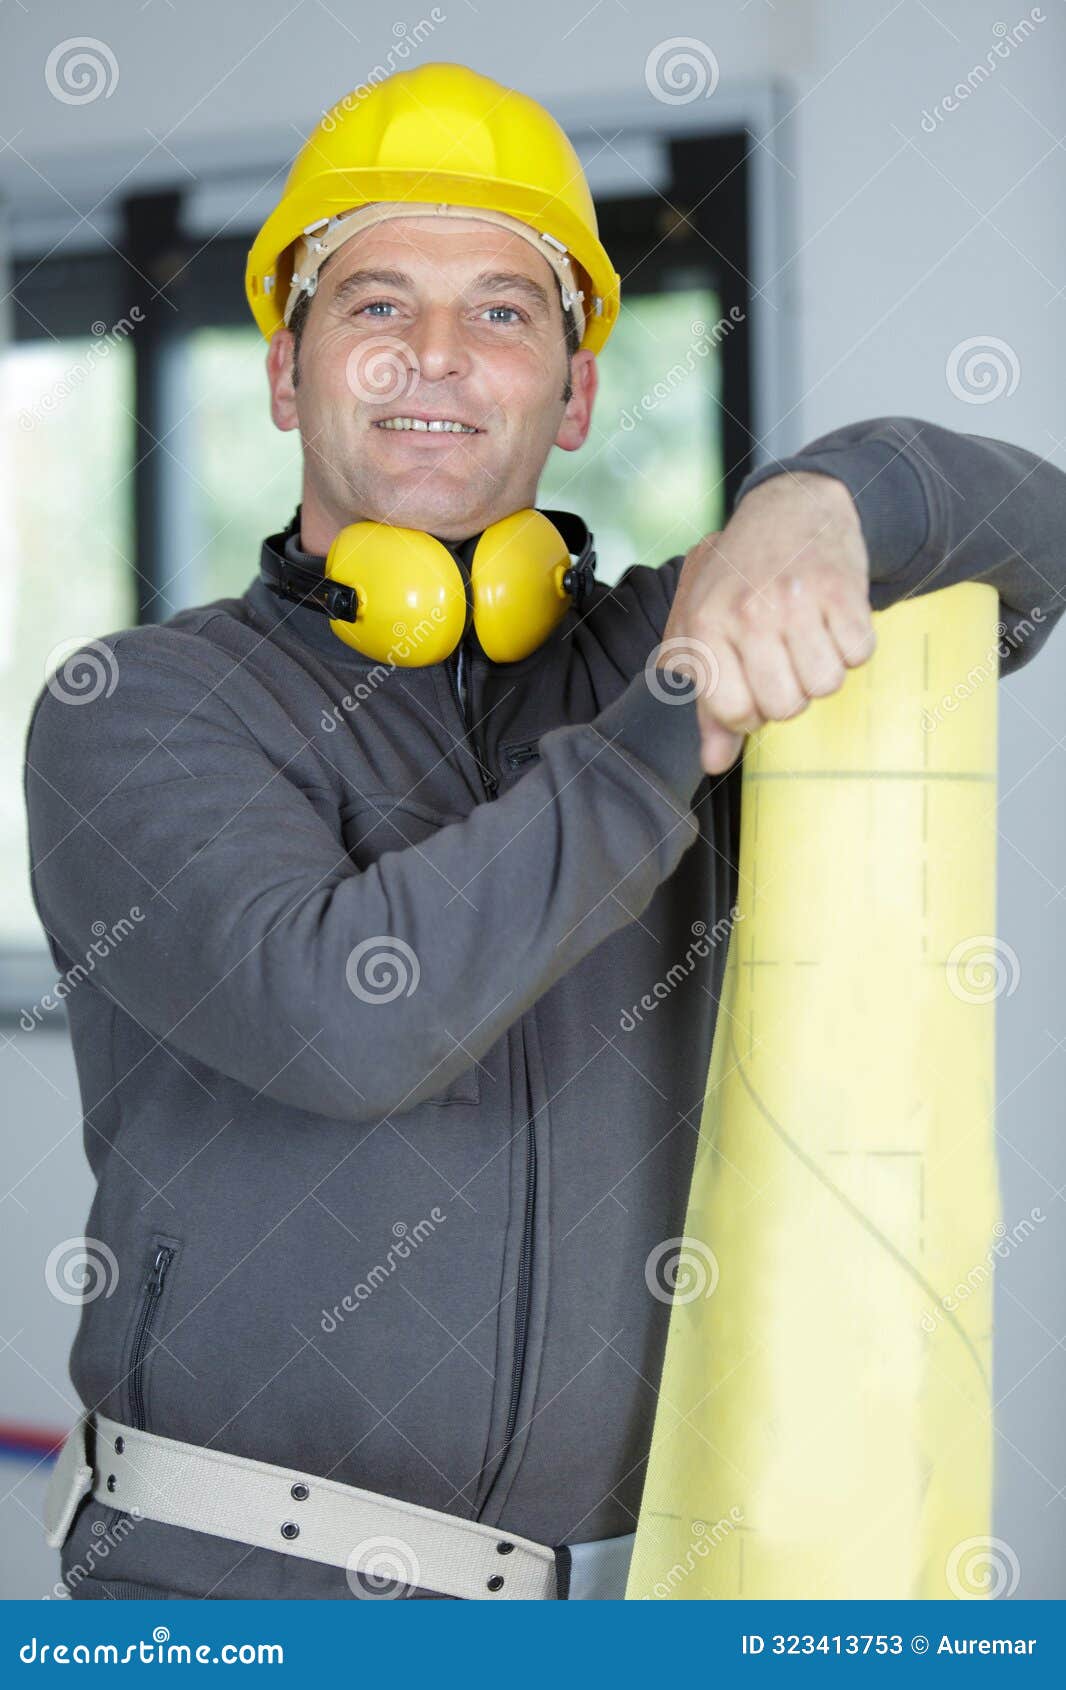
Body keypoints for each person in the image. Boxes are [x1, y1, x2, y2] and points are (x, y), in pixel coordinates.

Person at [25, 62, 1065, 1602]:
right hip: (234, 1593)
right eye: (374, 305)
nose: (436, 355)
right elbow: (345, 1017)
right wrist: (677, 714)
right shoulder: (140, 706)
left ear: (573, 391)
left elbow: (1031, 545)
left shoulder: (665, 629)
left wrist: (821, 501)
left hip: (631, 1596)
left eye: (504, 312)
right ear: (283, 369)